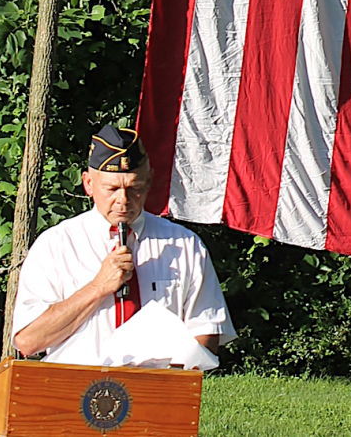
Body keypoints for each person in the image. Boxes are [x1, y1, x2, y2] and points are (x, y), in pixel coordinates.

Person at [12, 123, 235, 364]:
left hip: (157, 383)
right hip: (76, 381)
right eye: (112, 188)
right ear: (88, 183)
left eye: (134, 188)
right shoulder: (56, 245)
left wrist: (174, 379)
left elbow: (206, 329)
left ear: (149, 181)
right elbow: (29, 341)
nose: (123, 200)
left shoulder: (184, 245)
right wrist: (98, 287)